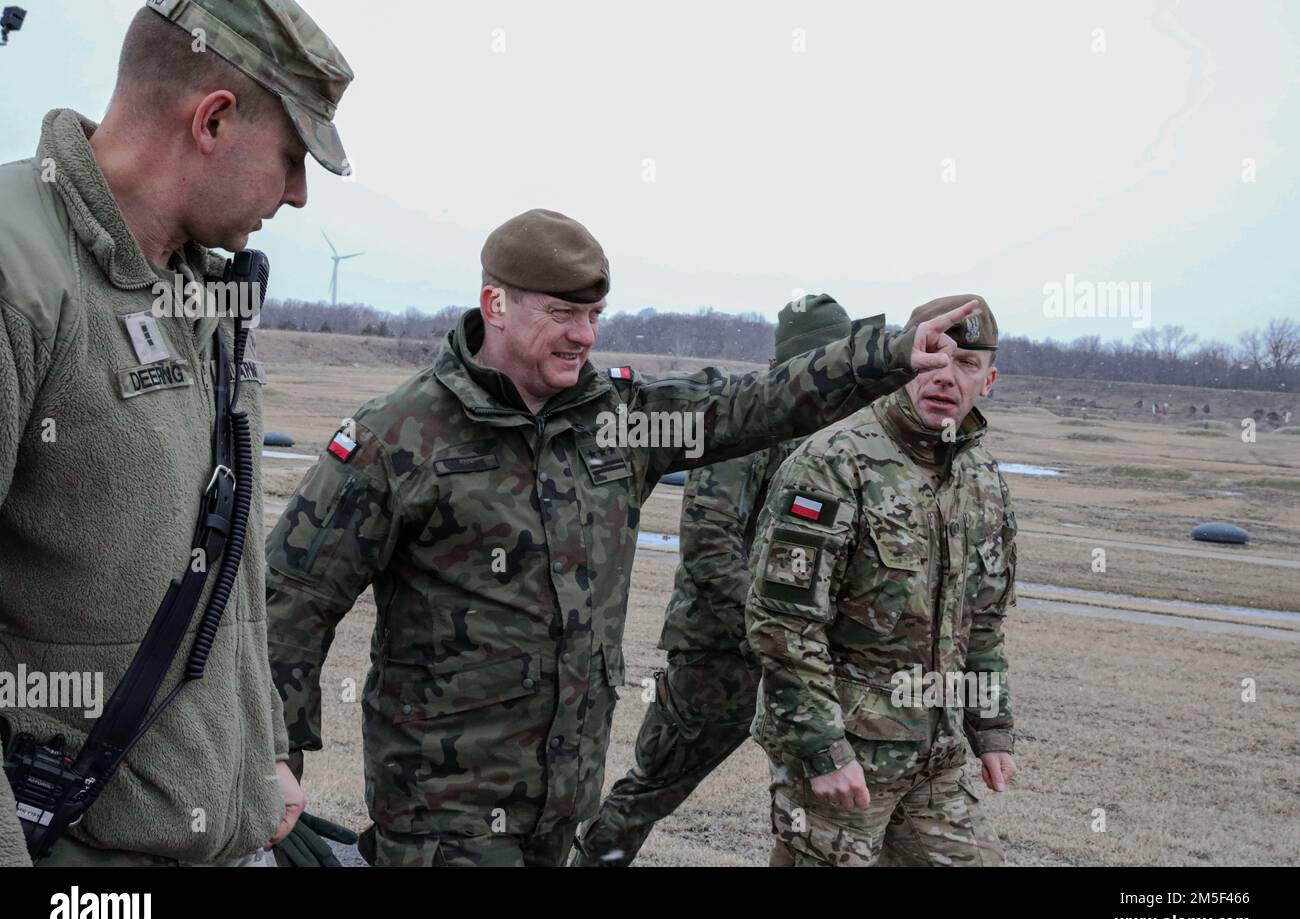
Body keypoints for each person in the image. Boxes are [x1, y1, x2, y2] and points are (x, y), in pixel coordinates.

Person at [266, 207, 978, 866]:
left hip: (564, 805)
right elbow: (292, 600)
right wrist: (276, 751)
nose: (585, 334)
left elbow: (755, 405)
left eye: (595, 315)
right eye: (563, 313)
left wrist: (884, 356)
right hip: (442, 816)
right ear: (496, 306)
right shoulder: (397, 437)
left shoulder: (619, 423)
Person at [0, 0, 353, 867]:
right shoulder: (18, 274)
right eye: (295, 157)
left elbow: (227, 564)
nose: (300, 193)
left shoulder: (209, 297)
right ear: (215, 119)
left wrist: (259, 751)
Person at [569, 294, 853, 866]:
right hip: (719, 653)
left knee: (825, 802)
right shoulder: (746, 427)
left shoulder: (839, 437)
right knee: (653, 788)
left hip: (804, 657)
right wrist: (771, 631)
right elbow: (709, 549)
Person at [746, 294, 1018, 867]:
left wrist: (990, 728)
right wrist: (823, 751)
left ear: (987, 380)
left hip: (934, 762)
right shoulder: (834, 461)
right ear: (906, 360)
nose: (946, 376)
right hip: (847, 756)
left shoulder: (982, 478)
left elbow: (985, 623)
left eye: (966, 364)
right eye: (934, 357)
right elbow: (784, 624)